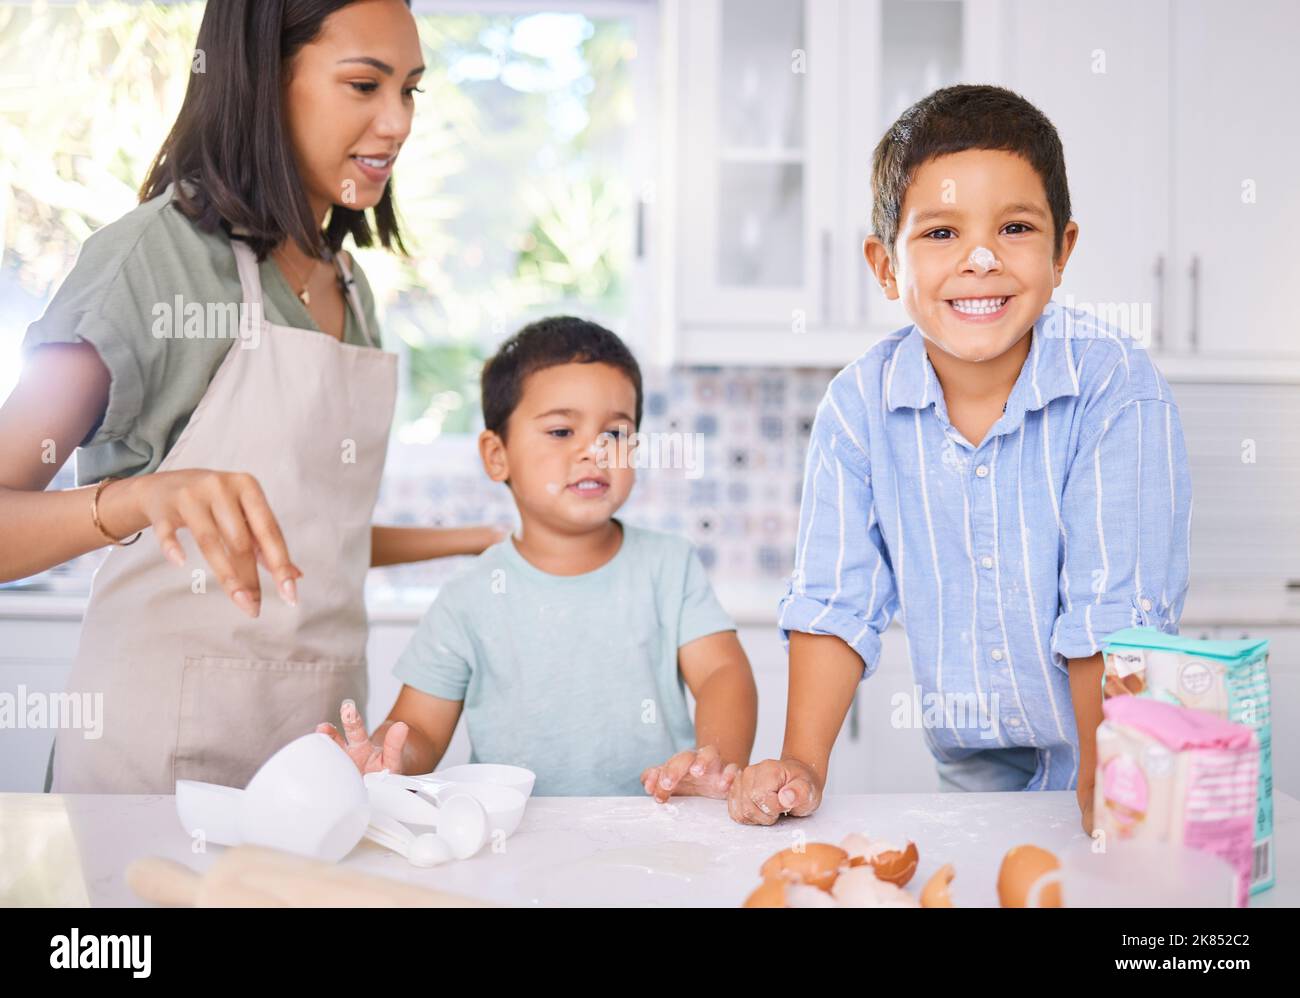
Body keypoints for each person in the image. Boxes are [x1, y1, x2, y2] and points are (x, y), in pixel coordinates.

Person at [0, 0, 496, 793]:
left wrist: (479, 543)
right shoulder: (154, 262)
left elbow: (310, 537)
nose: (397, 121)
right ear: (264, 81)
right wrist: (138, 500)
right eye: (365, 84)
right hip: (153, 770)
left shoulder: (350, 288)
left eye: (410, 90)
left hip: (319, 764)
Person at [727, 85, 1192, 832]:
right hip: (973, 768)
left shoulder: (1113, 387)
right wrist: (802, 764)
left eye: (1013, 227)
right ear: (884, 265)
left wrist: (1110, 773)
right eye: (941, 234)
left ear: (1061, 250)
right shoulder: (857, 409)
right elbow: (835, 605)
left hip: (1108, 744)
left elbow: (1115, 613)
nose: (980, 260)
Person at [317, 317, 759, 797]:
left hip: (655, 834)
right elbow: (419, 726)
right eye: (561, 431)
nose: (595, 451)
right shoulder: (469, 598)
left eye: (615, 433)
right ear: (496, 455)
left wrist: (714, 760)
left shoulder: (669, 567)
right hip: (516, 842)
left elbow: (722, 674)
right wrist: (389, 759)